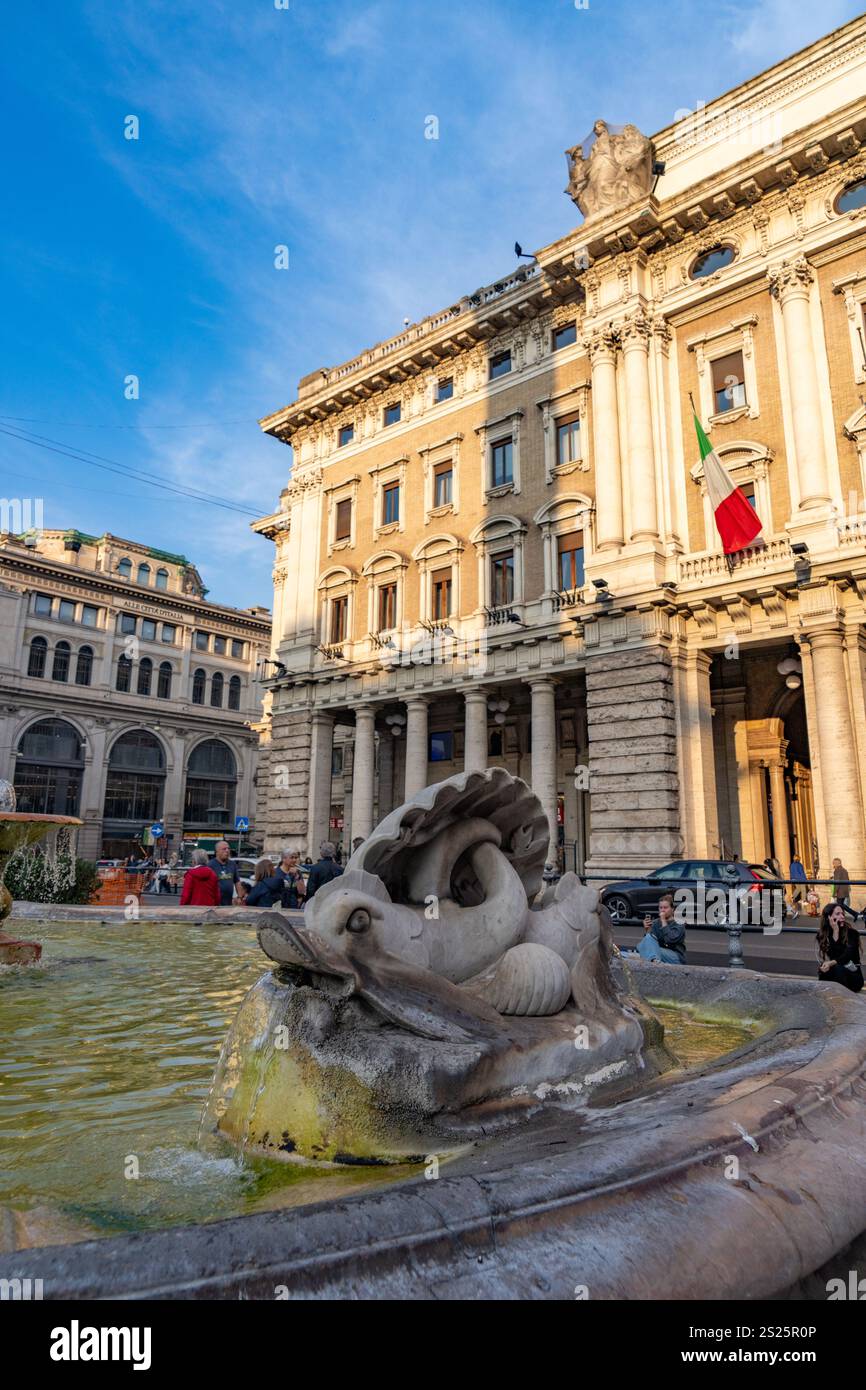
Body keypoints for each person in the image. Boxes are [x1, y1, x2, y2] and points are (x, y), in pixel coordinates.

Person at [816, 903, 863, 992]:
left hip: (853, 976)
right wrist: (835, 932)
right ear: (828, 917)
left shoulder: (852, 933)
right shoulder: (822, 936)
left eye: (842, 914)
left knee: (837, 968)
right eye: (837, 914)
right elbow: (834, 955)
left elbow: (846, 956)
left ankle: (842, 1000)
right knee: (823, 969)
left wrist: (836, 931)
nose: (842, 917)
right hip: (838, 974)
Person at [634, 893, 686, 964]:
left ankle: (654, 963)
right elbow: (650, 941)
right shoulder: (656, 922)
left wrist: (663, 921)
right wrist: (647, 930)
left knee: (645, 949)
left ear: (672, 909)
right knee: (645, 941)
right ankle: (655, 962)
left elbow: (670, 939)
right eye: (660, 908)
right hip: (657, 953)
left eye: (665, 908)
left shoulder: (679, 923)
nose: (662, 910)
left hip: (675, 957)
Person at [208, 840, 239, 906]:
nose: (227, 851)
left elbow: (237, 881)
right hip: (214, 903)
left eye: (228, 848)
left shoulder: (232, 864)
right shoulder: (210, 865)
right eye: (224, 849)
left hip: (228, 902)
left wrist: (240, 897)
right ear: (217, 851)